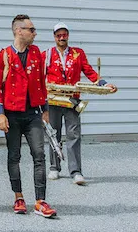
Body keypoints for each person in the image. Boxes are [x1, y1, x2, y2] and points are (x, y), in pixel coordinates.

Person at [0, 15, 57, 219]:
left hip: (33, 113)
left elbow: (41, 82)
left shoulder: (36, 53)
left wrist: (45, 109)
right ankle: (18, 196)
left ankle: (40, 200)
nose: (35, 33)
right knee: (14, 156)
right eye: (32, 29)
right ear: (19, 31)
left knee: (39, 154)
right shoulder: (2, 55)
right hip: (11, 114)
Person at [44, 24, 107, 185]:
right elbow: (40, 75)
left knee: (74, 135)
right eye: (59, 35)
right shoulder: (47, 54)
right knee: (54, 135)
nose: (62, 38)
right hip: (53, 100)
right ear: (54, 37)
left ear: (68, 36)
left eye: (64, 35)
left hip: (72, 99)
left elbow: (89, 71)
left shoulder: (78, 53)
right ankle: (54, 167)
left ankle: (76, 171)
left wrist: (102, 83)